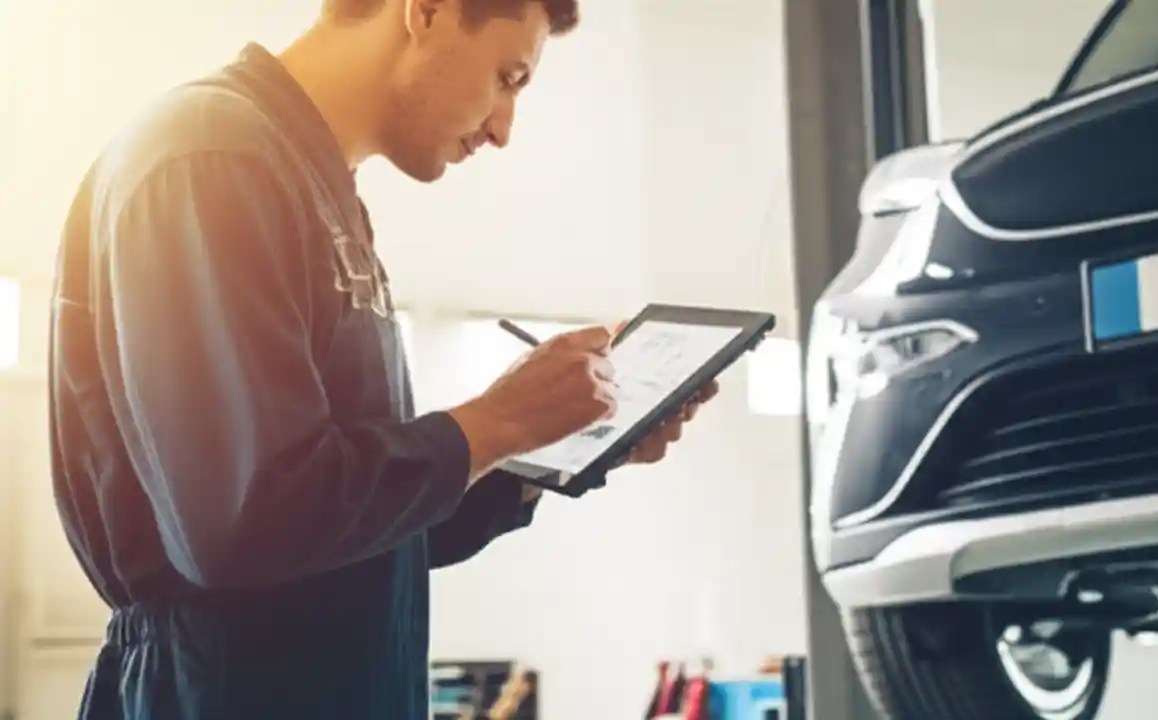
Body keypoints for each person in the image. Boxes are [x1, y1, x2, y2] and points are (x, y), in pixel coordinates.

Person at [47, 1, 718, 717]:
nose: (503, 128)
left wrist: (547, 442)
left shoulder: (316, 189)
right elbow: (245, 524)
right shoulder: (211, 157)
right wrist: (498, 421)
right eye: (507, 77)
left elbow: (358, 530)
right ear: (425, 11)